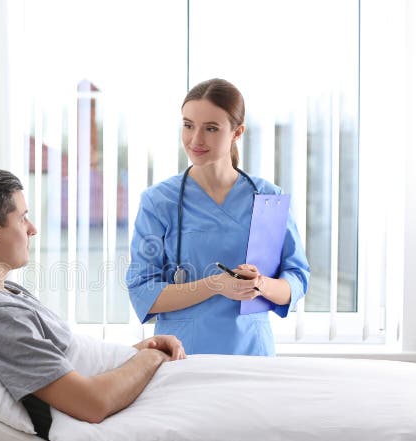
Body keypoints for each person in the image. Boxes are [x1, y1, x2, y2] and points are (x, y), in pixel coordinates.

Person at [0, 168, 185, 439]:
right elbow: (92, 404)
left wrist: (139, 350)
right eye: (23, 218)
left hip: (137, 382)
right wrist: (150, 358)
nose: (32, 229)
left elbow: (69, 360)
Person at [126, 78, 310, 356]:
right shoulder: (158, 201)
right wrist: (217, 285)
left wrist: (260, 284)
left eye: (211, 128)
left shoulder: (267, 198)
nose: (195, 139)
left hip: (251, 352)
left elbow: (296, 280)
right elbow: (143, 292)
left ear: (237, 132)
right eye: (188, 125)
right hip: (181, 353)